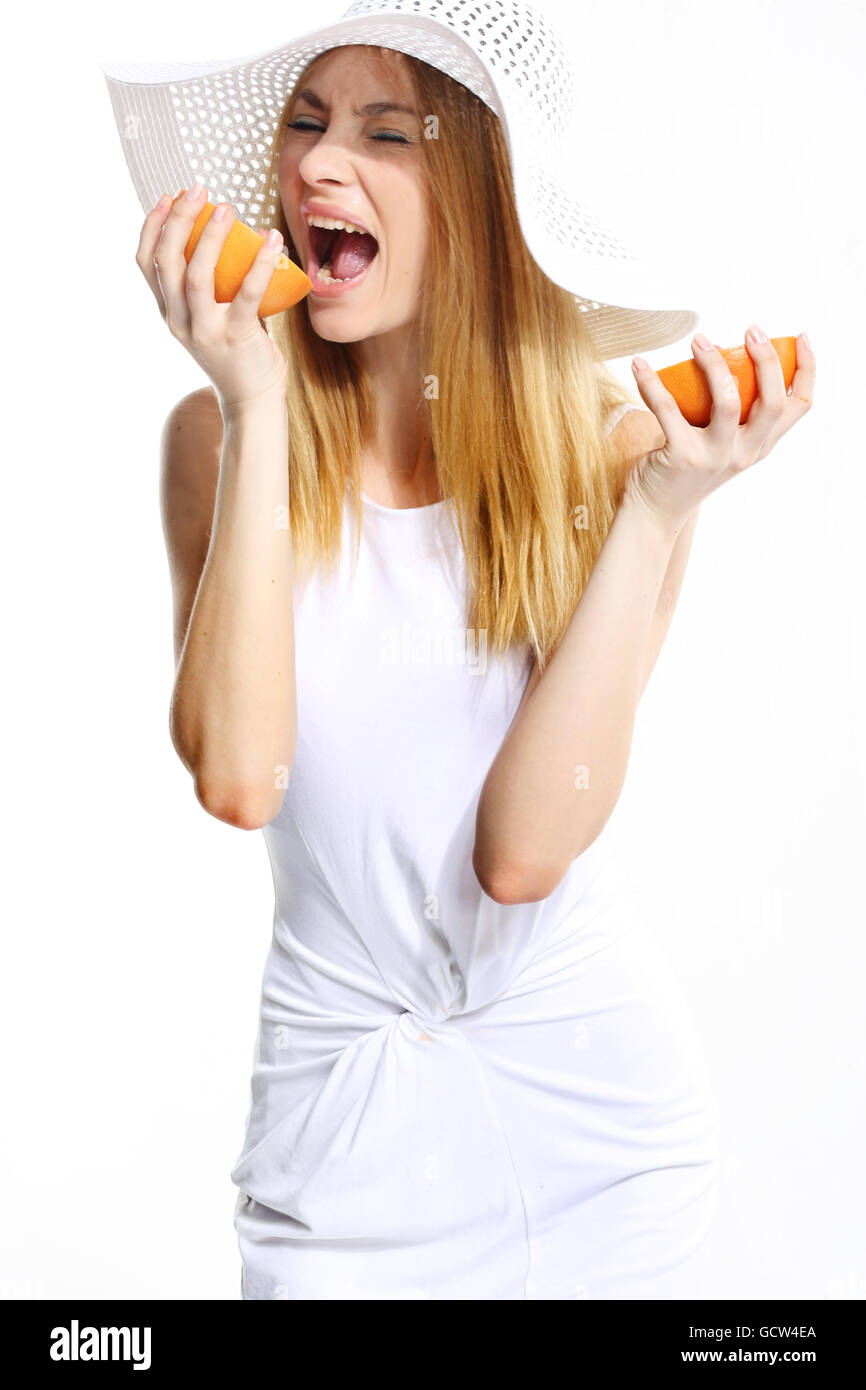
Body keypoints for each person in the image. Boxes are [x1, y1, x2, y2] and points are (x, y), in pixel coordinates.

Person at [103, 0, 814, 1299]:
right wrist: (255, 400)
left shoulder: (612, 453)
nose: (318, 165)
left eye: (387, 133)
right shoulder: (213, 445)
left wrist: (656, 515)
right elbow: (239, 776)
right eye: (306, 127)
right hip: (336, 1129)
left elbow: (525, 849)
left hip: (590, 1130)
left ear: (485, 198)